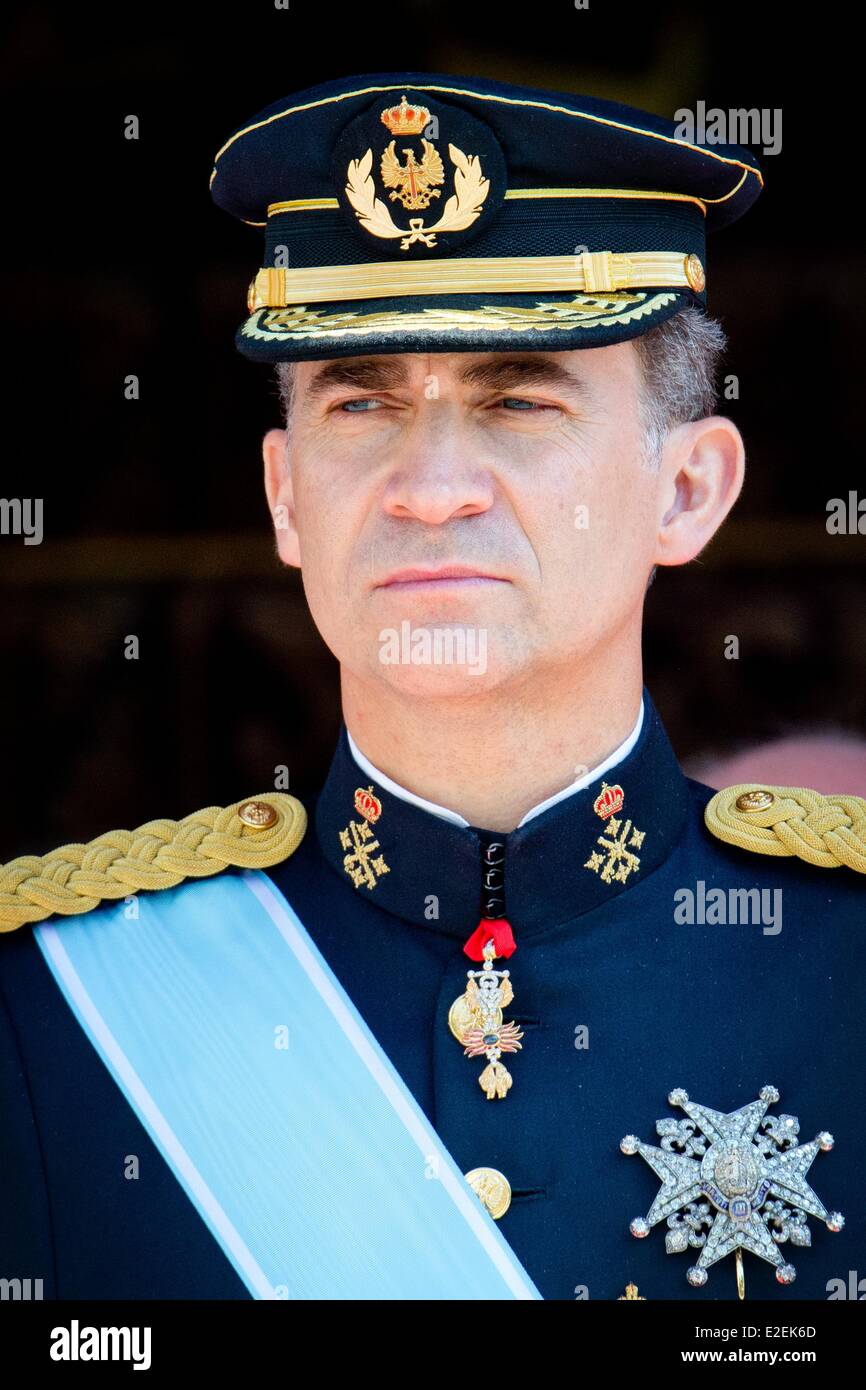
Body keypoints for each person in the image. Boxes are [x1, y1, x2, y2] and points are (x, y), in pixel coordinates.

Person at [1, 71, 864, 1303]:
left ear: (688, 489)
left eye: (517, 399)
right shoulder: (49, 1012)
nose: (429, 485)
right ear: (285, 494)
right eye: (360, 403)